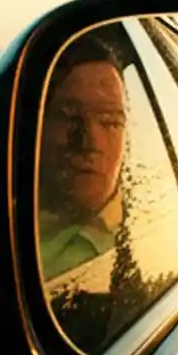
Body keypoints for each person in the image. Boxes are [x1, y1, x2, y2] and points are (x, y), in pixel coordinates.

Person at [38, 28, 128, 282]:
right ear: (37, 126)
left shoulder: (140, 239)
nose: (90, 142)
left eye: (110, 122)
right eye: (69, 117)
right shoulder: (7, 214)